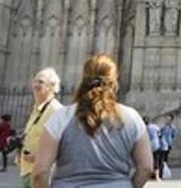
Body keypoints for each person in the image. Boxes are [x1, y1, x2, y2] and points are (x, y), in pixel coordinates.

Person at [30, 53, 153, 188]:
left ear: (83, 80)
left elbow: (40, 172)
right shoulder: (132, 117)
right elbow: (146, 168)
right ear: (114, 82)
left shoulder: (61, 117)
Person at [19, 68, 63, 188]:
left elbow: (63, 143)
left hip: (43, 172)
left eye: (41, 82)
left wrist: (38, 156)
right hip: (27, 170)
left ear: (52, 86)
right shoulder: (37, 108)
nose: (36, 85)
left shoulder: (56, 110)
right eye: (35, 81)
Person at [144, 117, 166, 181]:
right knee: (156, 161)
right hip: (156, 146)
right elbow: (160, 135)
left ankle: (154, 175)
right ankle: (156, 176)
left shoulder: (143, 129)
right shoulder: (154, 127)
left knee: (152, 162)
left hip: (150, 147)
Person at [158, 114, 177, 179]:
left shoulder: (173, 128)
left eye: (169, 119)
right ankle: (162, 171)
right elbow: (160, 133)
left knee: (165, 158)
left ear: (171, 120)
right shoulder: (163, 127)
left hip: (168, 144)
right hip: (162, 144)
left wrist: (170, 142)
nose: (167, 120)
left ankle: (164, 170)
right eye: (166, 119)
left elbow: (173, 135)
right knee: (162, 158)